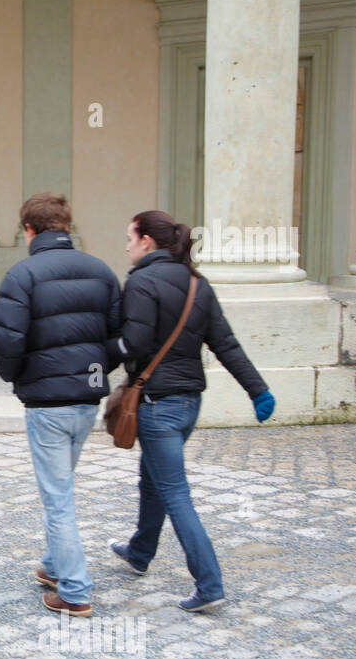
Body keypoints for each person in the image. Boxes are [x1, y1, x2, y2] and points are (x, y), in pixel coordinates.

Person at [111, 210, 275, 612]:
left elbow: (131, 345)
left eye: (130, 237)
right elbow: (226, 344)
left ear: (148, 240)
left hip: (156, 404)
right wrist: (258, 391)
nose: (127, 244)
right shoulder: (198, 284)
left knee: (175, 493)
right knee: (154, 480)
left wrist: (92, 357)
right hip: (188, 404)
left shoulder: (142, 282)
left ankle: (209, 584)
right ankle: (139, 551)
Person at [0, 193, 124, 617]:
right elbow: (119, 336)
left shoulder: (22, 275)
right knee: (60, 487)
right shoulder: (101, 271)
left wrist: (18, 377)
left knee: (58, 496)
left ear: (28, 229)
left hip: (47, 404)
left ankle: (75, 590)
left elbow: (6, 340)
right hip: (87, 402)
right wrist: (99, 370)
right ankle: (52, 565)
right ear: (66, 225)